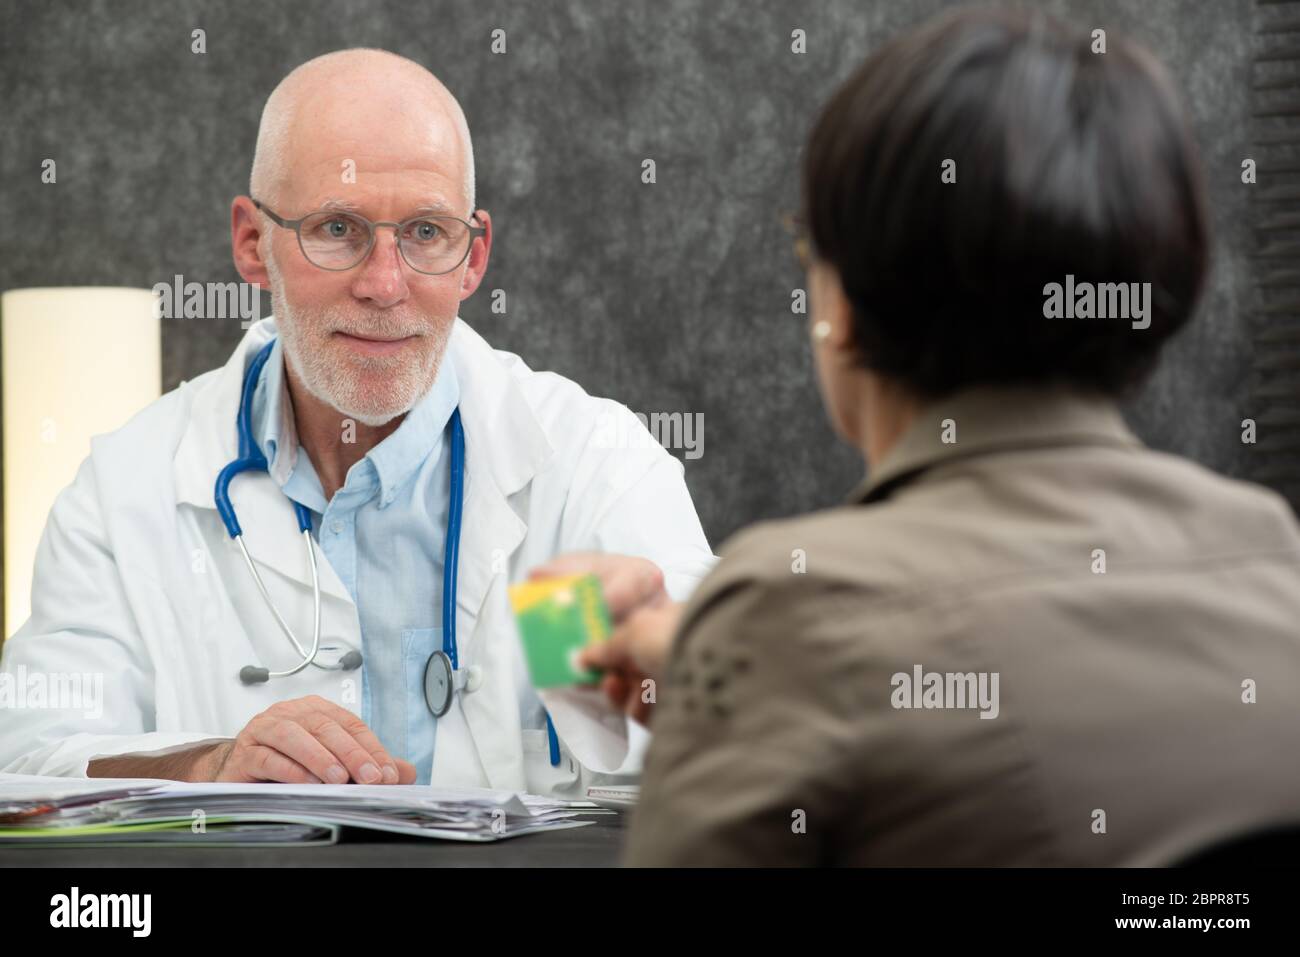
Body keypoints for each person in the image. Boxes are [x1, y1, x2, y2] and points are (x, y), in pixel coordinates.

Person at [574, 7, 1300, 864]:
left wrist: (743, 667)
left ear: (837, 305)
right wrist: (729, 680)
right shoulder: (1272, 560)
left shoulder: (783, 607)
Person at [0, 49, 715, 795]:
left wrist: (628, 675)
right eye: (337, 228)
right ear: (252, 243)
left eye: (427, 233)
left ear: (473, 258)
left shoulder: (596, 465)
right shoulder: (124, 489)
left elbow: (749, 746)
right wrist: (207, 766)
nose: (384, 284)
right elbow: (27, 754)